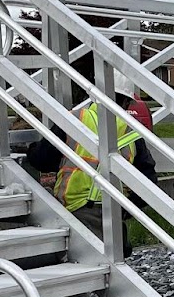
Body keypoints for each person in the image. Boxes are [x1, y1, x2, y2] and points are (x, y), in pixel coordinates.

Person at [53, 94, 156, 257]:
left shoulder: (75, 118)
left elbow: (42, 159)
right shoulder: (131, 132)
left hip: (74, 209)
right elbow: (149, 183)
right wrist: (125, 209)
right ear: (126, 102)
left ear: (95, 97)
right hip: (113, 210)